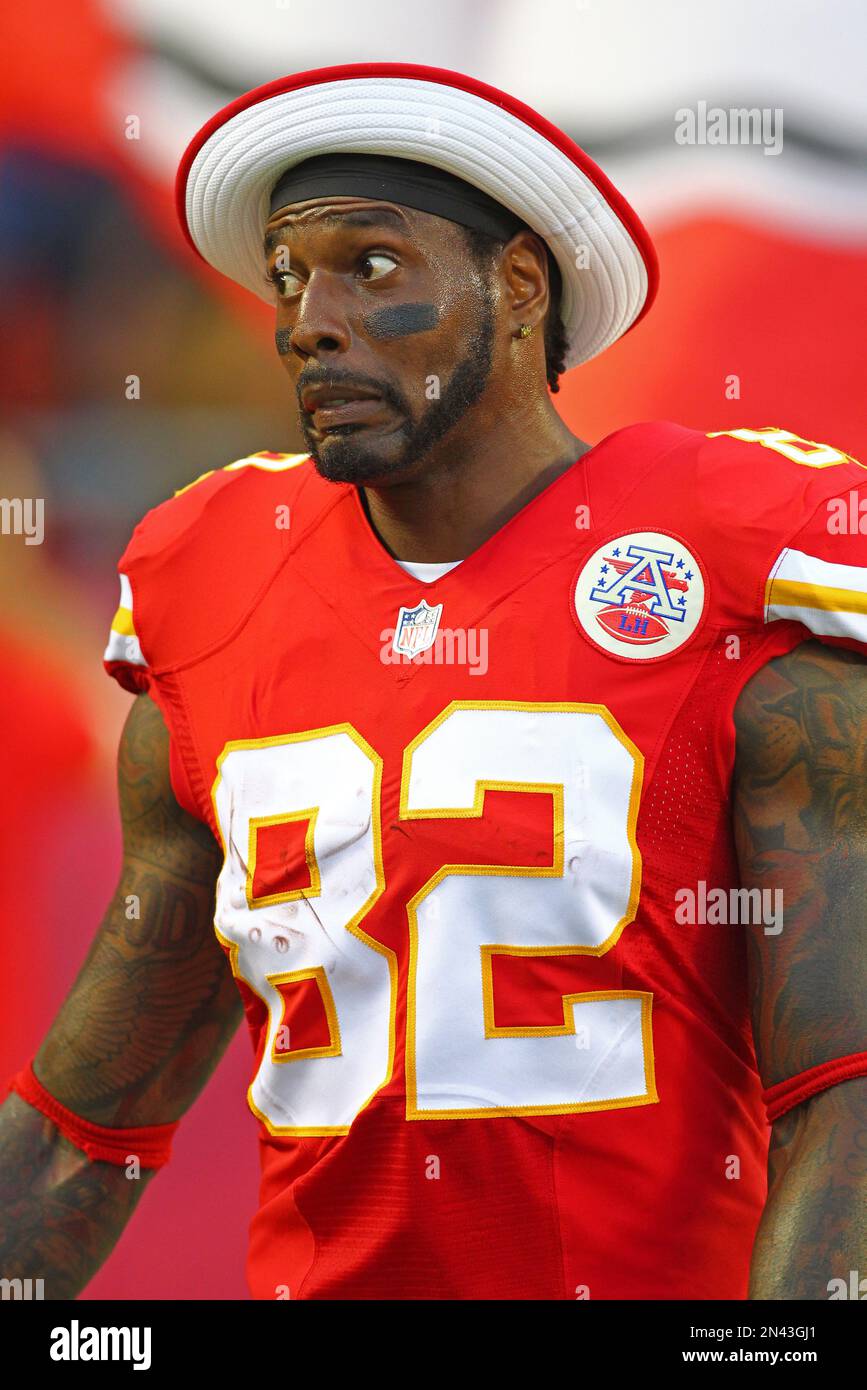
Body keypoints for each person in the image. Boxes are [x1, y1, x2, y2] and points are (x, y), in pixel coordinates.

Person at [2, 62, 866, 1301]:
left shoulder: (721, 560)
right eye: (292, 276)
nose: (310, 317)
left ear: (519, 288)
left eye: (374, 266)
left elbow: (844, 1091)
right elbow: (87, 1119)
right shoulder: (216, 587)